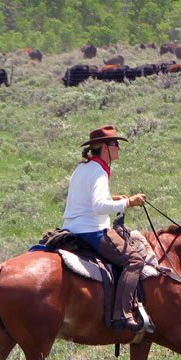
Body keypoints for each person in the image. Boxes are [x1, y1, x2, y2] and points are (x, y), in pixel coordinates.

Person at [62, 125, 147, 332]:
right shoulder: (98, 171)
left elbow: (90, 201)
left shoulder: (83, 167)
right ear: (104, 147)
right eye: (115, 144)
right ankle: (123, 314)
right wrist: (129, 202)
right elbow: (98, 206)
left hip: (72, 228)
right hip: (92, 231)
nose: (118, 148)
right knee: (135, 260)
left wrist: (115, 199)